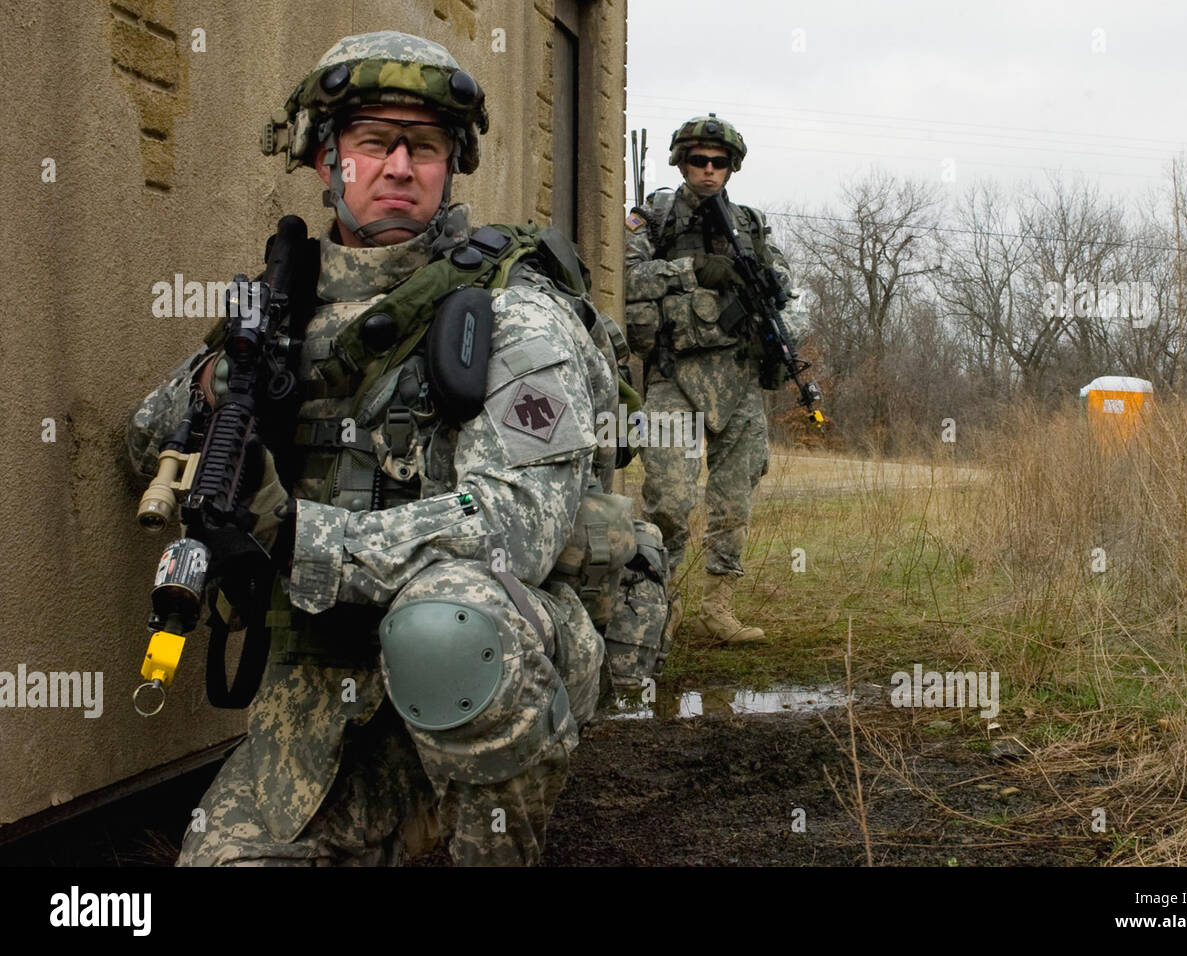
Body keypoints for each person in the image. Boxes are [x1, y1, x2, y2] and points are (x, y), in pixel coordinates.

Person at [125, 31, 621, 865]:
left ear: (450, 164)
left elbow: (517, 523)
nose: (398, 166)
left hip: (473, 668)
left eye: (422, 146)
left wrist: (298, 536)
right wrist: (218, 391)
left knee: (450, 624)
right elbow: (143, 441)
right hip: (322, 705)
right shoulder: (284, 314)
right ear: (325, 159)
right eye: (371, 142)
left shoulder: (514, 314)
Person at [624, 113, 792, 646]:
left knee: (733, 502)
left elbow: (783, 279)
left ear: (732, 168)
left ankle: (717, 608)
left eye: (719, 163)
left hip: (737, 379)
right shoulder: (652, 217)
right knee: (669, 502)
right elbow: (626, 278)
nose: (709, 170)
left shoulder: (750, 224)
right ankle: (662, 608)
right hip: (674, 376)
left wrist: (762, 277)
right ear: (681, 162)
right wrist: (692, 269)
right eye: (699, 161)